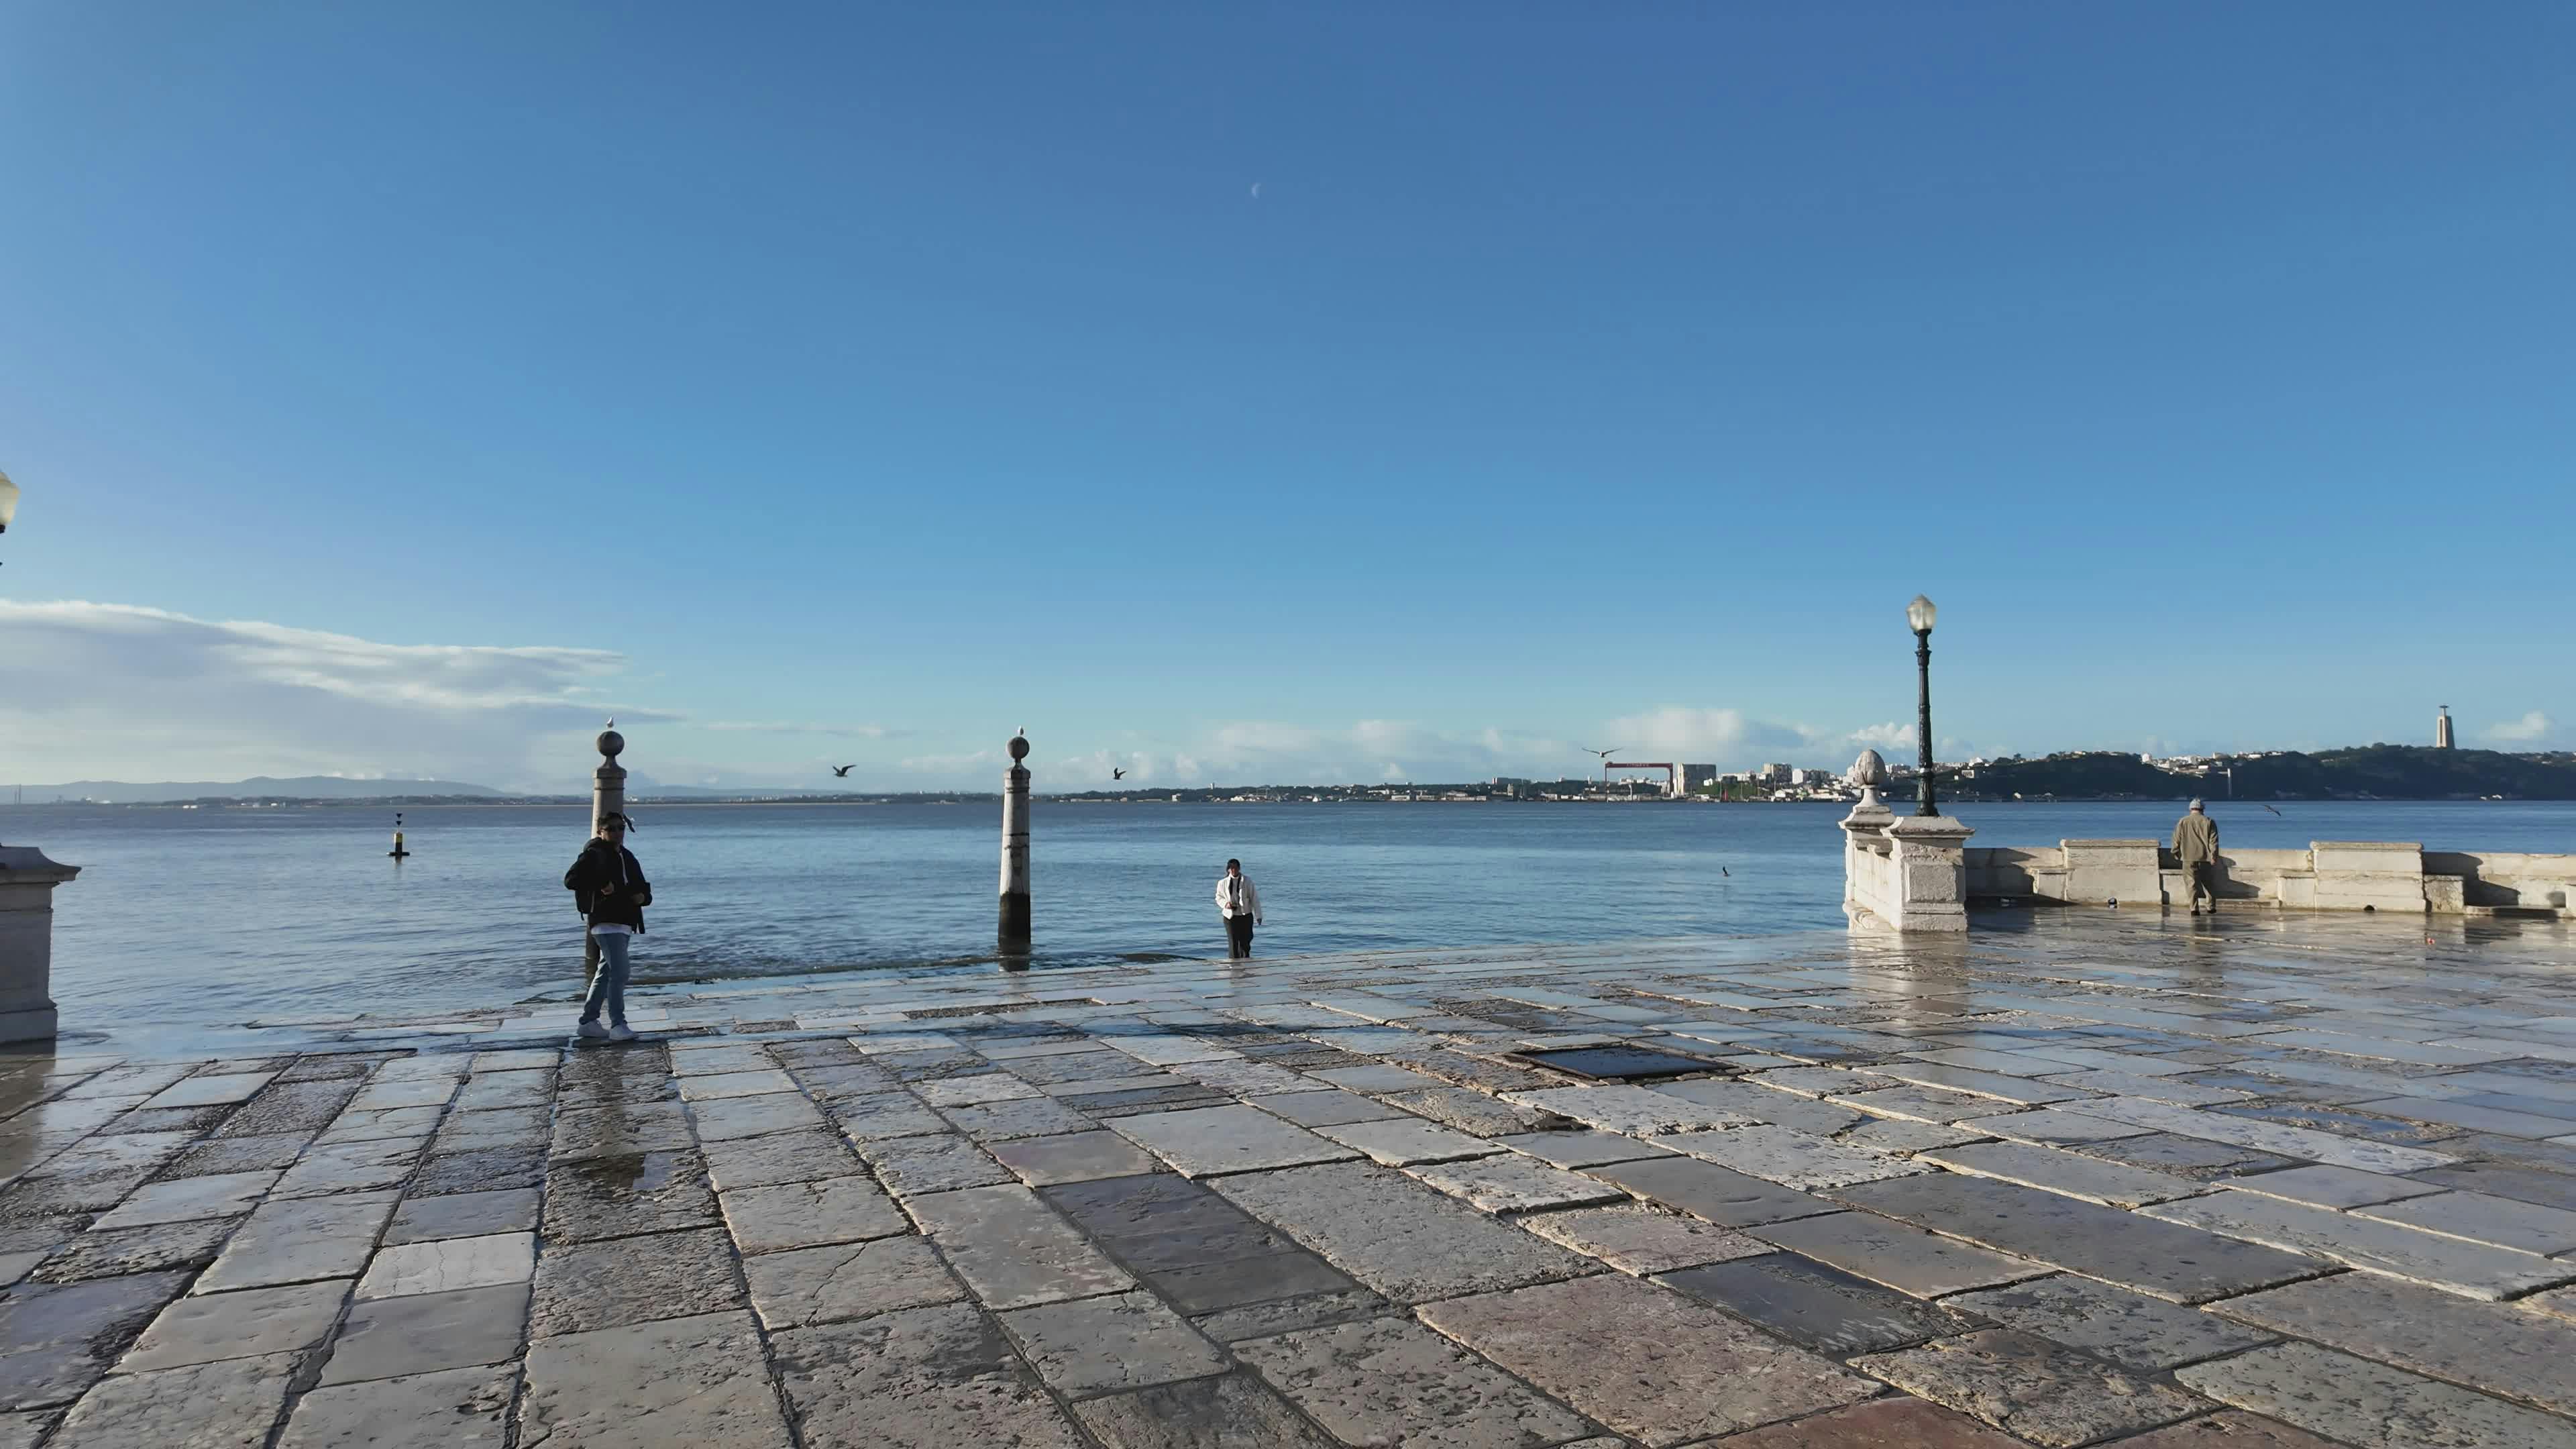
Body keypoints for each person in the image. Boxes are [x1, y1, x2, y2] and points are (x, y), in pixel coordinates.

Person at [564, 812, 651, 1040]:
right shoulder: (594, 854)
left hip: (625, 922)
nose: (617, 832)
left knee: (606, 973)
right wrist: (601, 884)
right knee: (621, 973)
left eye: (621, 828)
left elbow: (642, 886)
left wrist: (643, 897)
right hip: (605, 921)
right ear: (600, 831)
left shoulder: (627, 856)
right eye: (611, 828)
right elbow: (571, 879)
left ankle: (588, 1021)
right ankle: (618, 1025)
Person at [2173, 798, 2220, 916]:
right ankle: (2211, 907)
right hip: (2205, 858)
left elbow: (2176, 839)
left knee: (2191, 884)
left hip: (2188, 857)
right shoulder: (2209, 821)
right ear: (2203, 809)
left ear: (2190, 809)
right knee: (2208, 884)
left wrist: (2176, 853)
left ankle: (2194, 909)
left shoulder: (2183, 821)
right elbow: (2213, 842)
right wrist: (2214, 856)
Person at [1214, 858, 1262, 959]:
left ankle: (1245, 964)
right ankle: (1233, 966)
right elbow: (1218, 898)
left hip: (1245, 915)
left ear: (1239, 868)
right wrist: (1226, 904)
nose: (1234, 870)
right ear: (1228, 869)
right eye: (1231, 868)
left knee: (1245, 943)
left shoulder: (1247, 881)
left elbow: (1255, 899)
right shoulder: (1222, 883)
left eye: (1235, 868)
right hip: (1230, 917)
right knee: (1233, 943)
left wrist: (1258, 916)